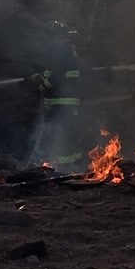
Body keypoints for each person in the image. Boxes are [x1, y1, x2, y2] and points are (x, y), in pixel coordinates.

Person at [30, 20, 87, 170]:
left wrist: (42, 80)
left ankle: (64, 167)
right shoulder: (64, 50)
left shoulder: (63, 51)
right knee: (60, 134)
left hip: (62, 102)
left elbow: (57, 78)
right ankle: (62, 165)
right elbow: (54, 74)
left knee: (60, 134)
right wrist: (42, 78)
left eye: (51, 36)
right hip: (60, 101)